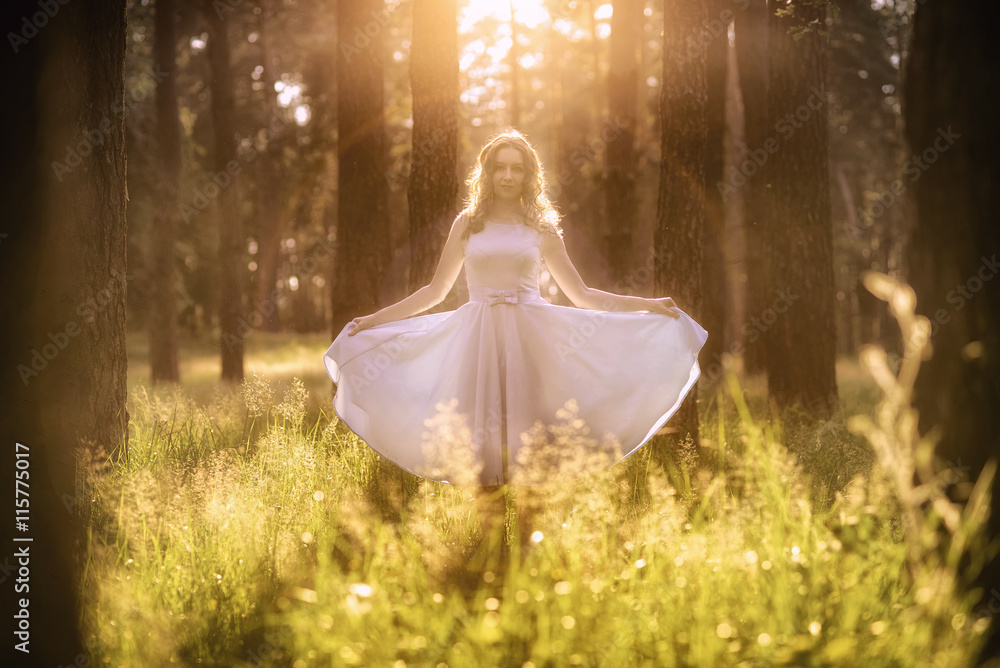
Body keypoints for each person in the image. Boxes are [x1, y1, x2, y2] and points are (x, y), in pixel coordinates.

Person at [323, 129, 707, 492]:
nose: (508, 176)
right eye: (500, 167)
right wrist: (374, 320)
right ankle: (489, 544)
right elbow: (435, 291)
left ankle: (526, 542)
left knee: (532, 438)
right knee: (481, 441)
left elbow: (582, 294)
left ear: (529, 174)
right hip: (476, 342)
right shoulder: (468, 224)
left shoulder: (541, 226)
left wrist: (648, 305)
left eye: (517, 168)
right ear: (487, 172)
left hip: (532, 341)